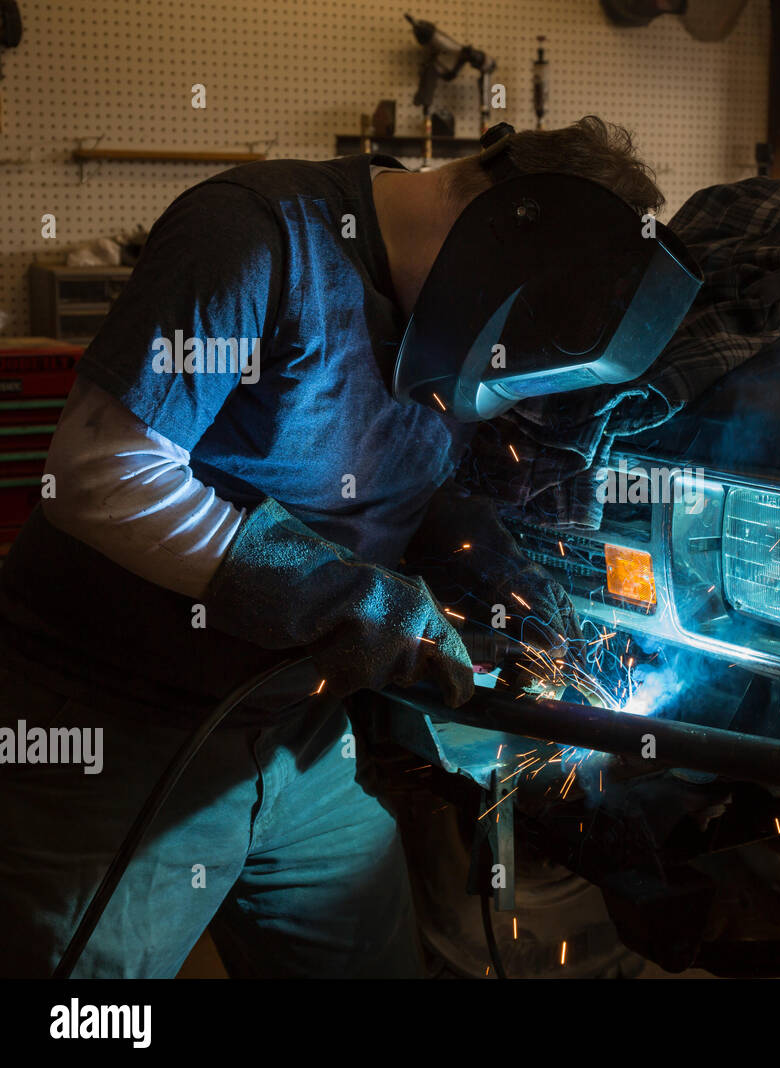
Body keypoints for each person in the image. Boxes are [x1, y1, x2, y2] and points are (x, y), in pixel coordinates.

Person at [0, 116, 699, 978]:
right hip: (114, 732)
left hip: (298, 735)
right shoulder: (255, 235)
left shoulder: (451, 319)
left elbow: (409, 478)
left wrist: (481, 561)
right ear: (496, 227)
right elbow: (100, 472)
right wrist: (342, 596)